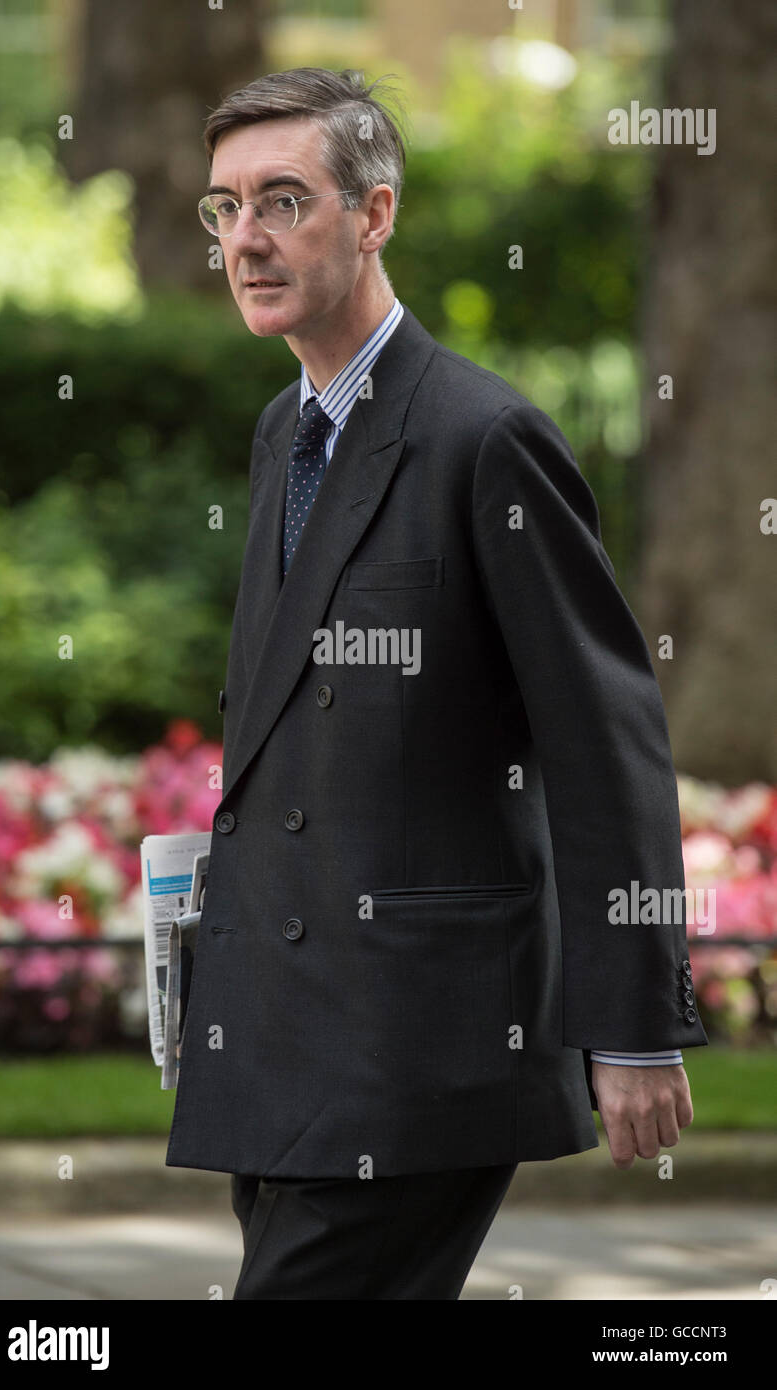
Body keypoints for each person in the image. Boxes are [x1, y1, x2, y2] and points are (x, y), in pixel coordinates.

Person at [165, 67, 708, 1300]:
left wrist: (629, 1023)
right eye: (224, 208)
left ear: (376, 214)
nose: (245, 238)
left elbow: (604, 735)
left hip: (418, 1047)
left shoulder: (486, 437)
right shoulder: (280, 433)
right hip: (280, 1035)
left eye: (284, 200)